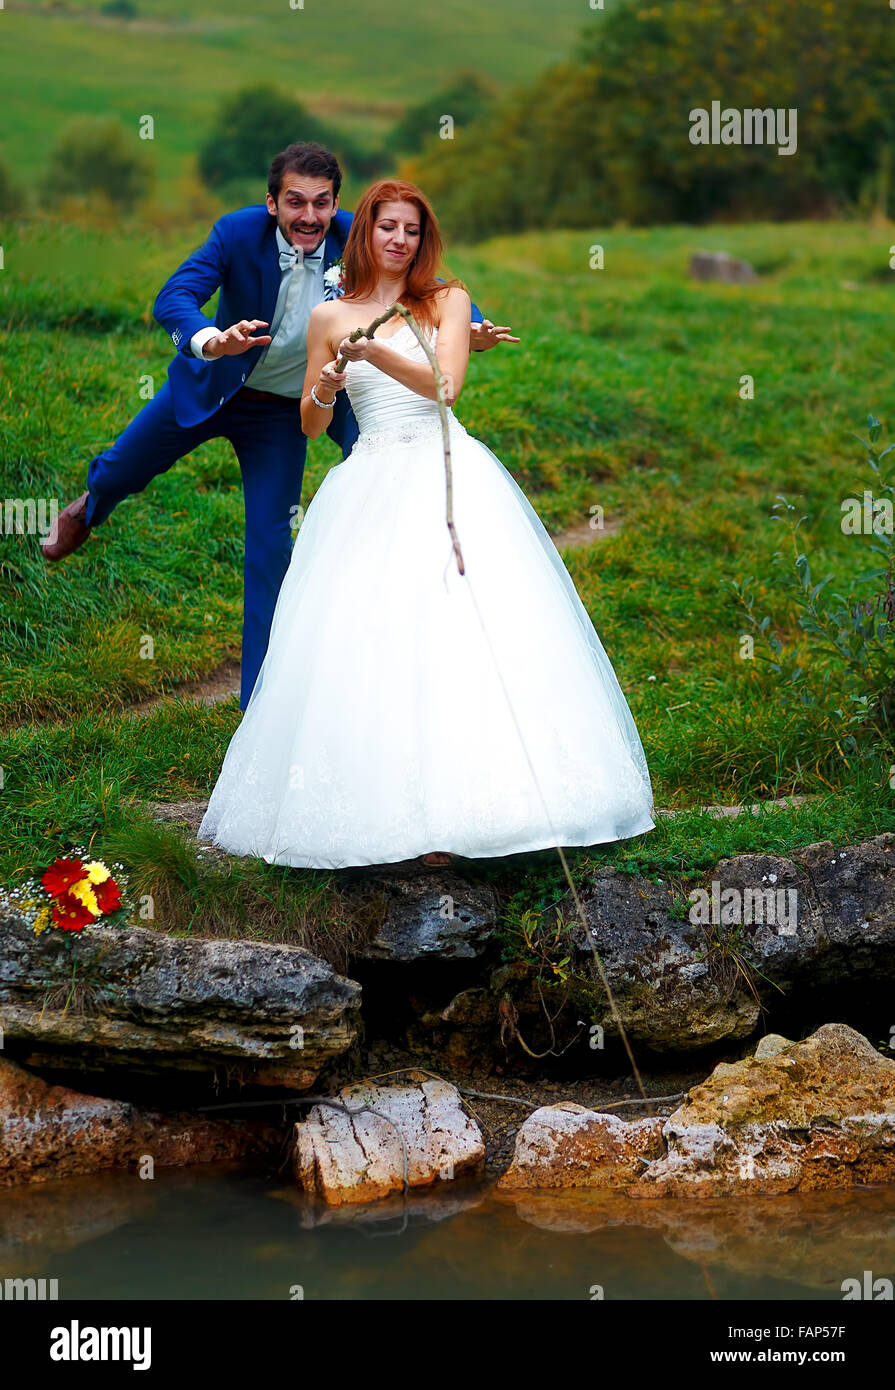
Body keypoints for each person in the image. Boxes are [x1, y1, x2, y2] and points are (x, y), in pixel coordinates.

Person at [197, 179, 655, 871]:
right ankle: (382, 808)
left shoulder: (446, 300)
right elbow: (311, 422)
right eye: (387, 227)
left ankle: (499, 803)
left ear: (422, 238)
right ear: (366, 234)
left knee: (464, 622)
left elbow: (445, 389)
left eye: (411, 229)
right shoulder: (329, 315)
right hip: (369, 471)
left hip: (446, 469)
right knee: (368, 631)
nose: (398, 240)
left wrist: (376, 352)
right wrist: (324, 385)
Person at [41, 143, 515, 709]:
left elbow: (423, 279)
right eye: (295, 202)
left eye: (322, 203)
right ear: (272, 203)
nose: (309, 216)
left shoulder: (360, 235)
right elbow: (175, 296)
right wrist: (211, 341)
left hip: (289, 412)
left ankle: (258, 707)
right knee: (122, 467)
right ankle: (89, 507)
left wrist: (475, 326)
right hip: (215, 386)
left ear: (338, 205)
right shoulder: (235, 233)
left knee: (271, 545)